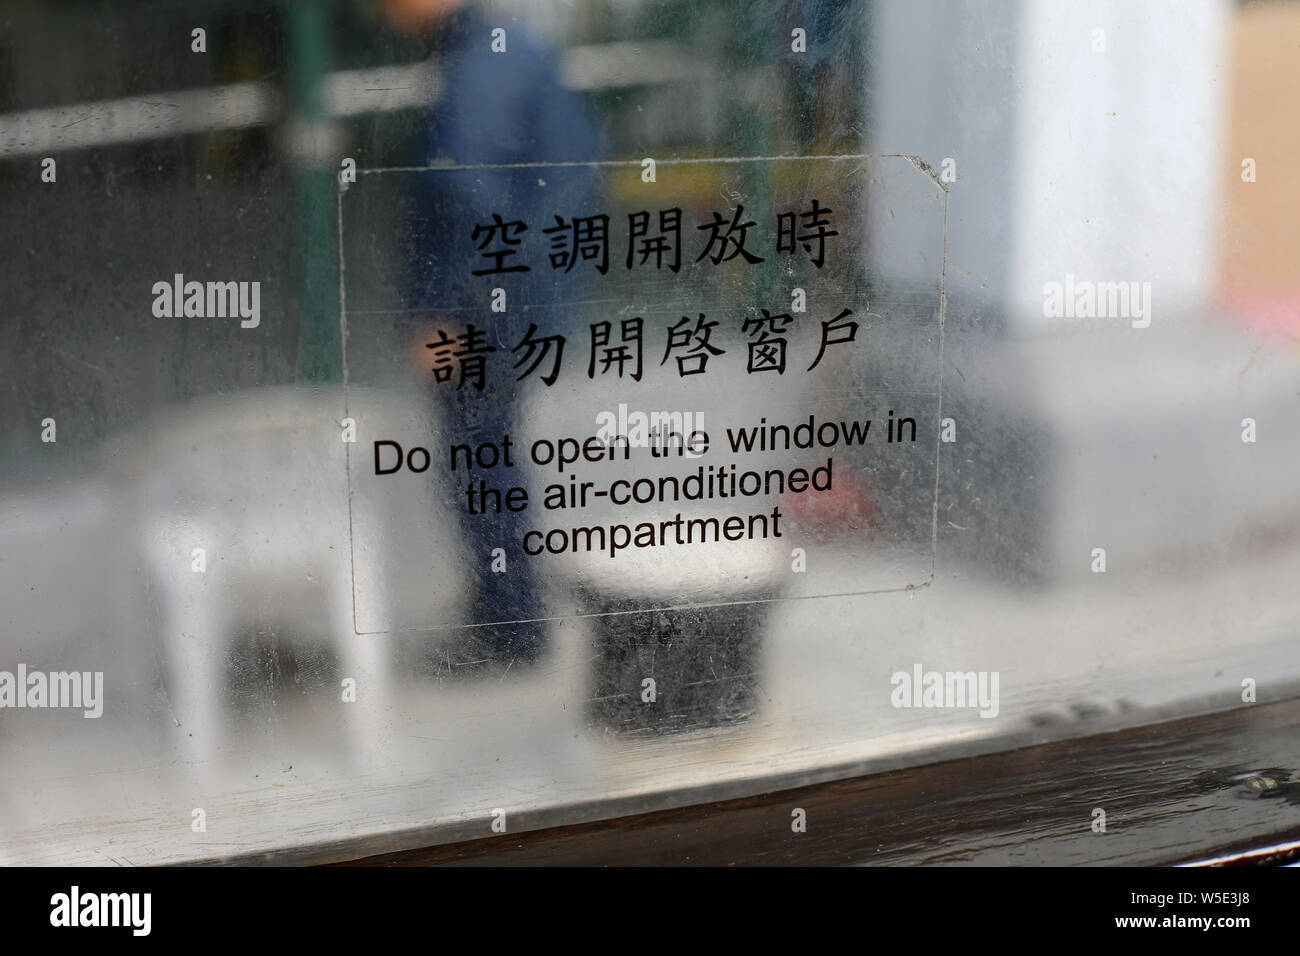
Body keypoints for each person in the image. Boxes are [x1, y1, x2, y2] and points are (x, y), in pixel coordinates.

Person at [382, 0, 602, 666]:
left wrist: (444, 313)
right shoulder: (500, 50)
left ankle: (511, 631)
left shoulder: (484, 63)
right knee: (488, 457)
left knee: (482, 465)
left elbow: (468, 197)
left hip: (487, 312)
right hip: (515, 300)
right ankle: (505, 616)